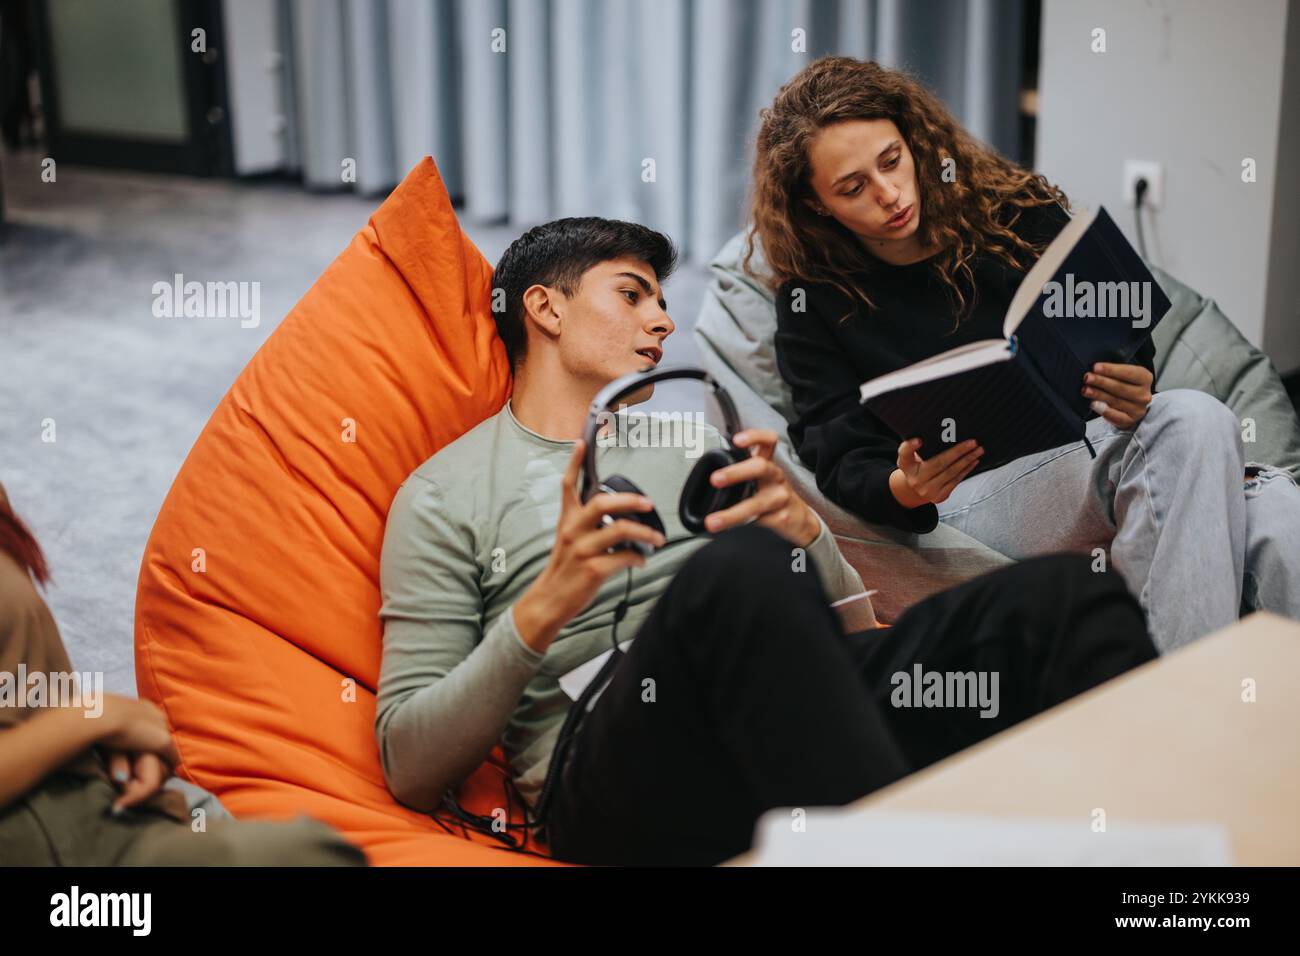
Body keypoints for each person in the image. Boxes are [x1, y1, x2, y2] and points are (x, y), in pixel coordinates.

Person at [375, 216, 1158, 866]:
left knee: (1062, 596)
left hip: (787, 717)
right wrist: (545, 603)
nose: (664, 321)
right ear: (544, 308)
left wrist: (804, 532)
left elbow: (850, 638)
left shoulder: (686, 439)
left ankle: (1167, 885)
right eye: (632, 294)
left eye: (662, 300)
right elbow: (410, 764)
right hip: (615, 775)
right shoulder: (444, 494)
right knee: (739, 568)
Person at [749, 55, 1300, 653]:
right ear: (817, 206)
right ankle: (1175, 717)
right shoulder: (813, 301)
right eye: (853, 187)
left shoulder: (1015, 211)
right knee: (1194, 419)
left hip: (1101, 454)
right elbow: (833, 448)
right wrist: (903, 487)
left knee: (1272, 508)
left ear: (912, 140)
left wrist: (1133, 378)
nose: (889, 194)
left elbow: (1126, 335)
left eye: (891, 161)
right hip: (974, 500)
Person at [0, 482, 367, 866]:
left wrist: (115, 746)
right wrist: (95, 719)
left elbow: (28, 686)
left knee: (310, 851)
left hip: (94, 809)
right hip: (42, 840)